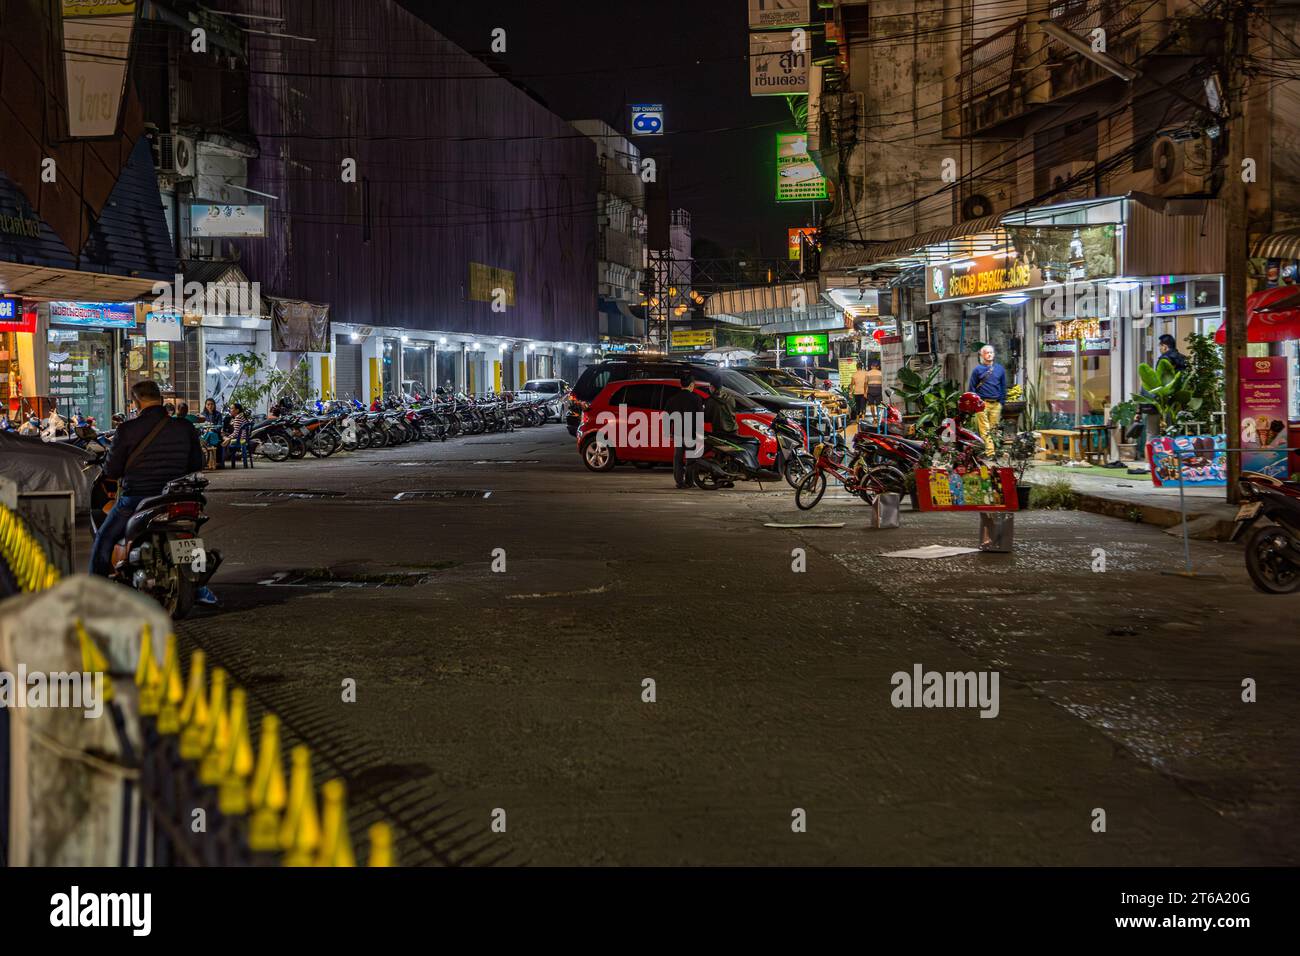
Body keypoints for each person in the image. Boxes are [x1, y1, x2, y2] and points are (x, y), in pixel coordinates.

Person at [90, 380, 204, 577]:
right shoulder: (185, 427)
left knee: (104, 537)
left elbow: (112, 470)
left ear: (135, 402)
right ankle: (199, 584)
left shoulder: (127, 429)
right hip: (177, 497)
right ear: (160, 400)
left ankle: (94, 588)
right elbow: (197, 464)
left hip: (137, 499)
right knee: (188, 533)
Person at [663, 371, 705, 489]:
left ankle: (679, 481)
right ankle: (689, 482)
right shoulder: (696, 399)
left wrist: (668, 433)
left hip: (677, 434)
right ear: (691, 385)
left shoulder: (672, 399)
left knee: (678, 458)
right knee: (691, 459)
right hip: (691, 434)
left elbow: (667, 418)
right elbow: (699, 419)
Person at [967, 345, 1007, 456]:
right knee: (985, 429)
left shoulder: (1000, 369)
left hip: (996, 404)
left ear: (994, 354)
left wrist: (1001, 403)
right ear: (982, 355)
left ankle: (992, 451)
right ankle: (991, 453)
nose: (989, 354)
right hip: (982, 404)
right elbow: (972, 388)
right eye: (986, 353)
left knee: (994, 429)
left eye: (991, 352)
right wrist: (976, 403)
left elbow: (1003, 387)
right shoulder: (977, 370)